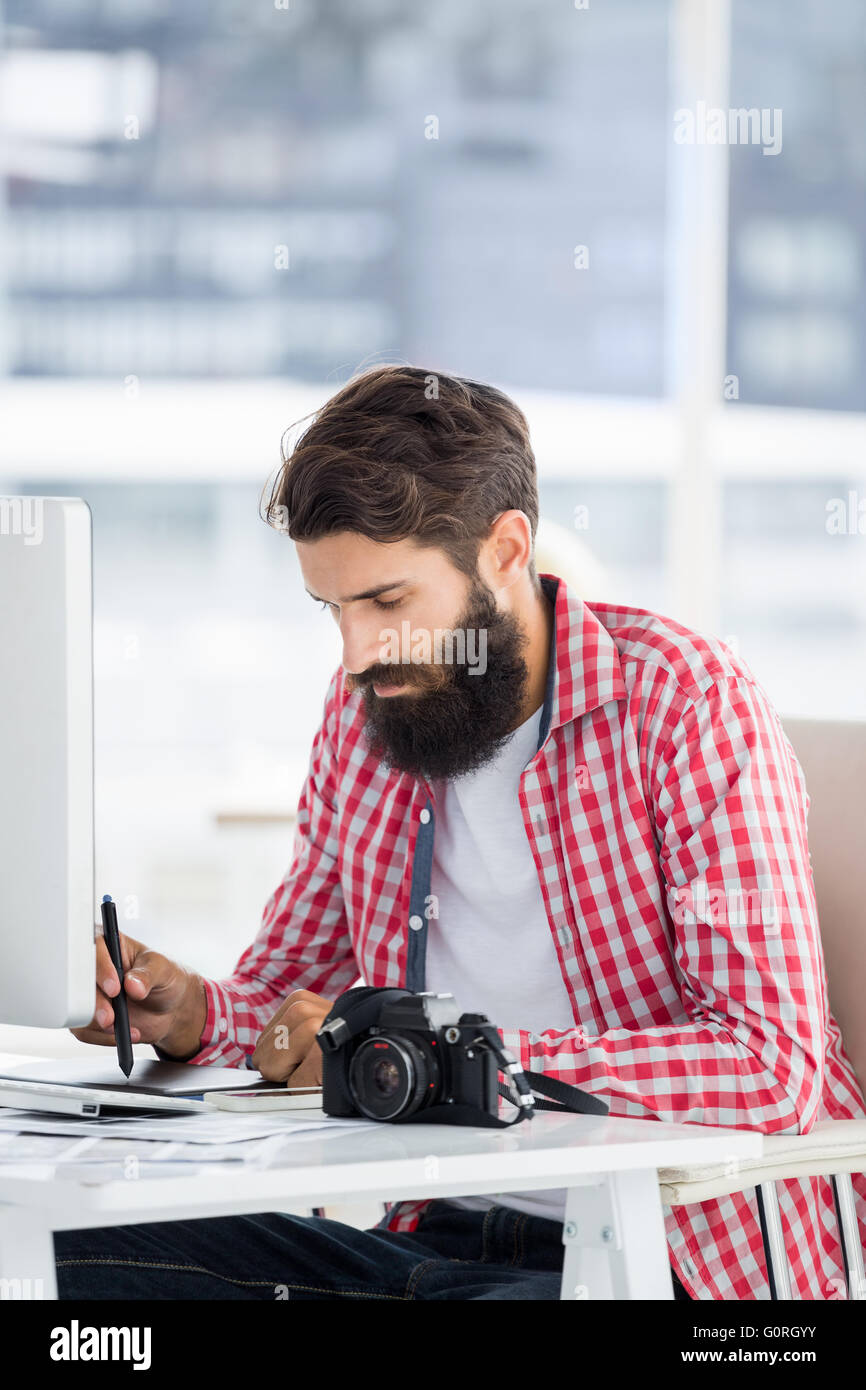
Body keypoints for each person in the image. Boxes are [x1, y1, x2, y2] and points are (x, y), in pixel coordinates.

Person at [56, 364, 866, 1301]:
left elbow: (767, 1067)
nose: (356, 655)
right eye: (334, 609)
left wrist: (454, 1062)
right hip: (434, 1236)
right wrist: (195, 1014)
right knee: (71, 1254)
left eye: (388, 602)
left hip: (664, 1258)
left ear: (505, 550)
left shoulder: (685, 705)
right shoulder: (366, 718)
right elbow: (292, 1004)